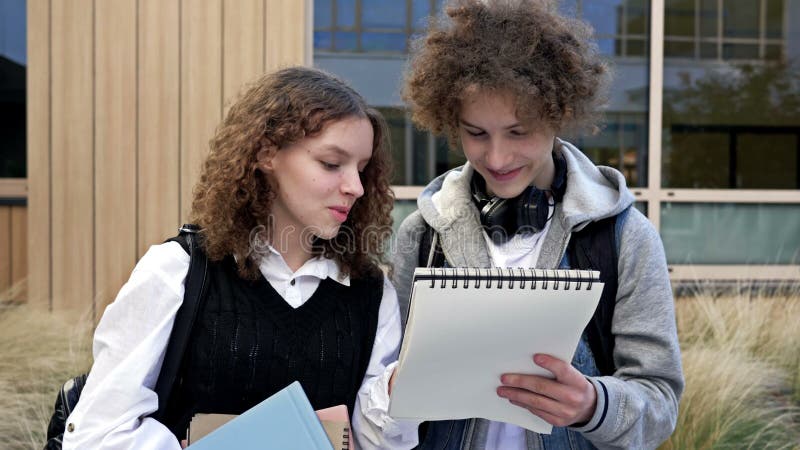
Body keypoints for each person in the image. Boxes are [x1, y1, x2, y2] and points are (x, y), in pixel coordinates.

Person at [62, 67, 418, 450]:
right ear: (267, 153)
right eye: (332, 164)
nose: (355, 187)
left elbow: (375, 440)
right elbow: (97, 435)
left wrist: (404, 388)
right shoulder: (178, 271)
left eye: (362, 169)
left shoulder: (369, 289)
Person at [391, 1, 684, 449]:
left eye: (518, 131)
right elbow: (385, 388)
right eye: (476, 133)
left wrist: (592, 404)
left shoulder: (627, 237)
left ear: (559, 113)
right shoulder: (421, 234)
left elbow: (660, 403)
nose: (497, 158)